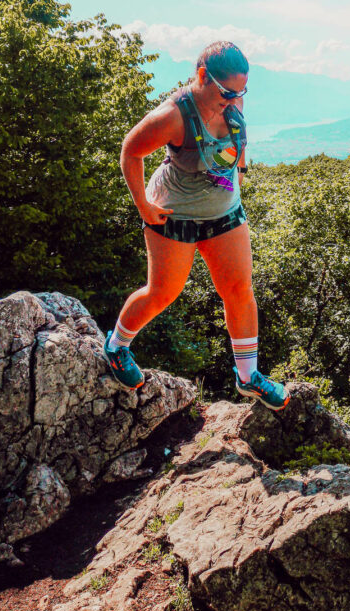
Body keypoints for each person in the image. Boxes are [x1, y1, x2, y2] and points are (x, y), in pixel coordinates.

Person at [102, 40, 290, 411]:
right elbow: (130, 150)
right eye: (227, 91)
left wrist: (239, 169)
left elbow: (235, 135)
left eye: (242, 91)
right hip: (175, 214)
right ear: (202, 75)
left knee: (239, 290)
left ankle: (249, 377)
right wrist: (143, 205)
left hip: (224, 211)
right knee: (162, 293)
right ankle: (116, 347)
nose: (235, 98)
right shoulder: (172, 116)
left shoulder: (231, 98)